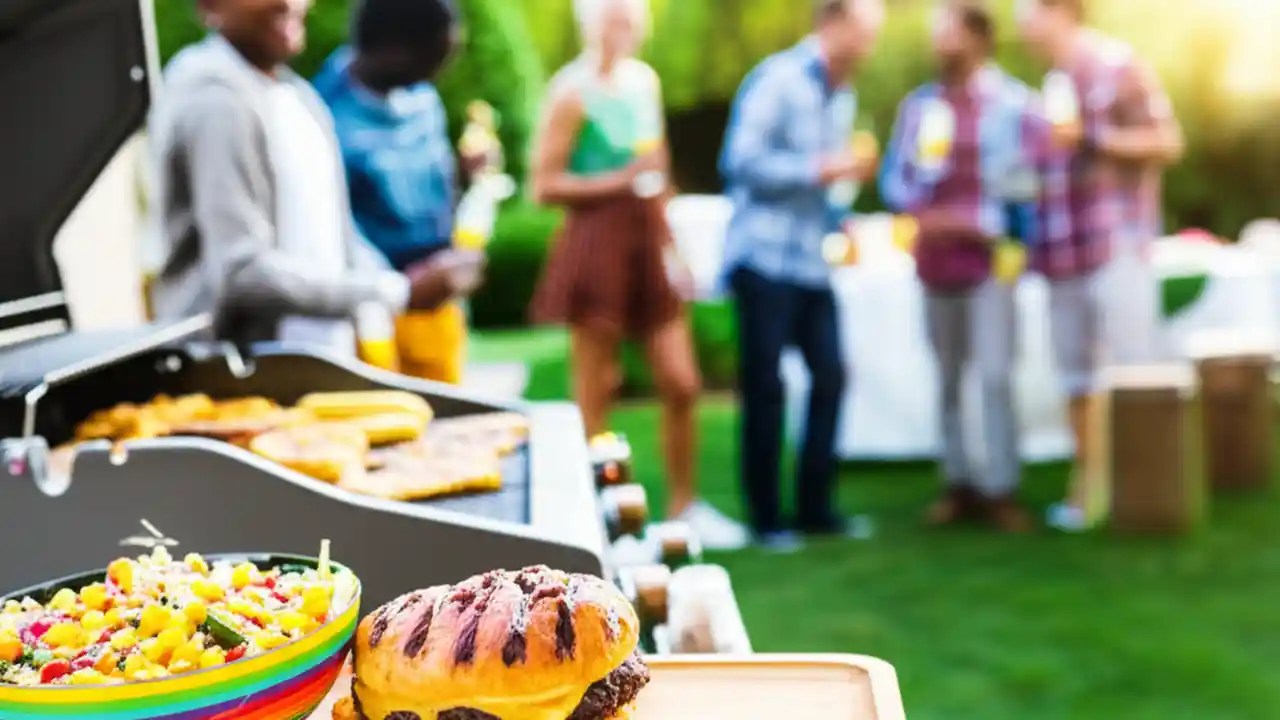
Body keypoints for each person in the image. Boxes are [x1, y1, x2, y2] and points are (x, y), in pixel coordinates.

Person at [530, 0, 748, 550]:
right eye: (610, 18)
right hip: (595, 242)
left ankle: (684, 508)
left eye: (628, 18)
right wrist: (621, 179)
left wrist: (674, 246)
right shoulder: (571, 91)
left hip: (647, 242)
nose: (619, 29)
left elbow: (660, 173)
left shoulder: (644, 83)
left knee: (682, 382)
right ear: (591, 23)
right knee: (597, 389)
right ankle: (595, 524)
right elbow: (545, 185)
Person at [151, 0, 482, 353]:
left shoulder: (296, 96)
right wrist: (397, 291)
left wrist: (411, 277)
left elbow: (335, 237)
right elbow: (242, 274)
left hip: (312, 366)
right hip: (237, 378)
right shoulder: (216, 102)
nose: (288, 3)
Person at [719, 0, 884, 549]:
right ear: (831, 24)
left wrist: (843, 215)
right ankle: (767, 520)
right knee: (766, 387)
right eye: (862, 33)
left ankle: (816, 508)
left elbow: (824, 188)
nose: (867, 46)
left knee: (831, 376)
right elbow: (740, 162)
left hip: (812, 263)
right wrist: (817, 169)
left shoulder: (843, 94)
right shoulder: (779, 80)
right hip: (764, 258)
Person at [1017, 0, 1183, 530]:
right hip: (1061, 252)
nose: (1020, 20)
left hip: (1116, 247)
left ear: (1059, 10)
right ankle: (1087, 493)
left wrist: (1092, 138)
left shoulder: (1118, 65)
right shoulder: (1050, 83)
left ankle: (1148, 492)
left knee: (1134, 374)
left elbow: (1167, 141)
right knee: (1075, 376)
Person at [881, 1, 1040, 532]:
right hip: (935, 264)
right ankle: (959, 484)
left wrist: (982, 222)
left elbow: (1030, 184)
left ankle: (1001, 488)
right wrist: (926, 215)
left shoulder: (1015, 104)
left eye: (947, 32)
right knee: (948, 379)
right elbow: (894, 180)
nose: (939, 44)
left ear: (977, 38)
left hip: (992, 264)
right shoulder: (920, 106)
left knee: (995, 376)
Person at [314, 0, 478, 384]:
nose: (441, 72)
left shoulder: (423, 100)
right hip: (371, 311)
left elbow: (430, 193)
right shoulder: (323, 115)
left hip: (436, 306)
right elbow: (331, 223)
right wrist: (399, 288)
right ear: (392, 49)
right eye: (435, 58)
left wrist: (464, 178)